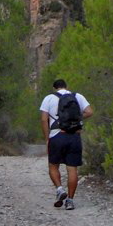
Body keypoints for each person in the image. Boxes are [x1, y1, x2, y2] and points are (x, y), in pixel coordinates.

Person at [39, 79, 93, 210]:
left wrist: (47, 138)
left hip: (57, 136)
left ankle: (59, 189)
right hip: (74, 136)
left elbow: (43, 119)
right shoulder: (77, 96)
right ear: (67, 86)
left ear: (54, 88)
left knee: (53, 166)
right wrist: (75, 118)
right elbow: (89, 112)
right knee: (72, 169)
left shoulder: (49, 98)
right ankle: (70, 200)